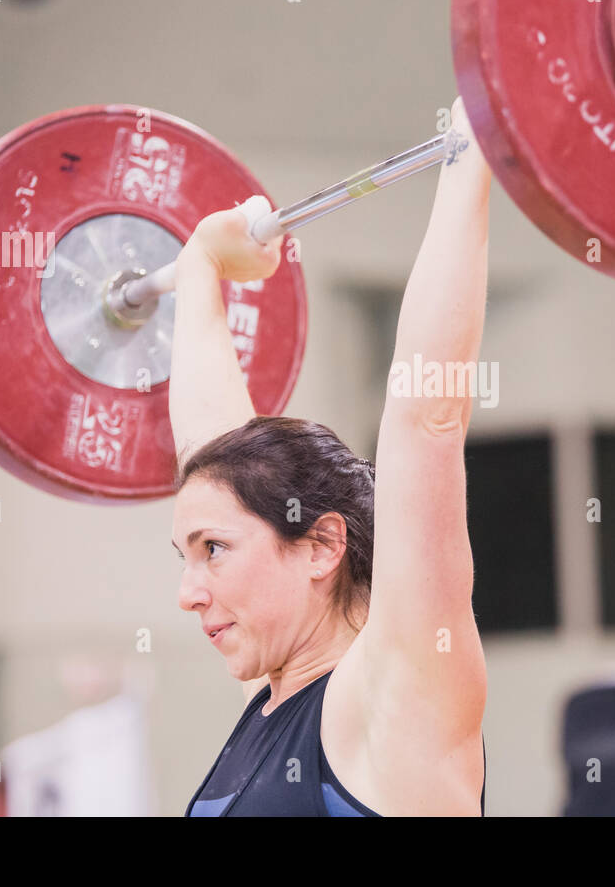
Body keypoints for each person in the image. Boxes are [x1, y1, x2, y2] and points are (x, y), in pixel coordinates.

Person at [172, 98, 490, 816]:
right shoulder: (273, 707)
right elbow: (212, 454)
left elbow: (426, 424)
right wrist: (201, 268)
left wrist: (473, 159)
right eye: (185, 555)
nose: (187, 592)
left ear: (321, 545)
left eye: (212, 550)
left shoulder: (393, 696)